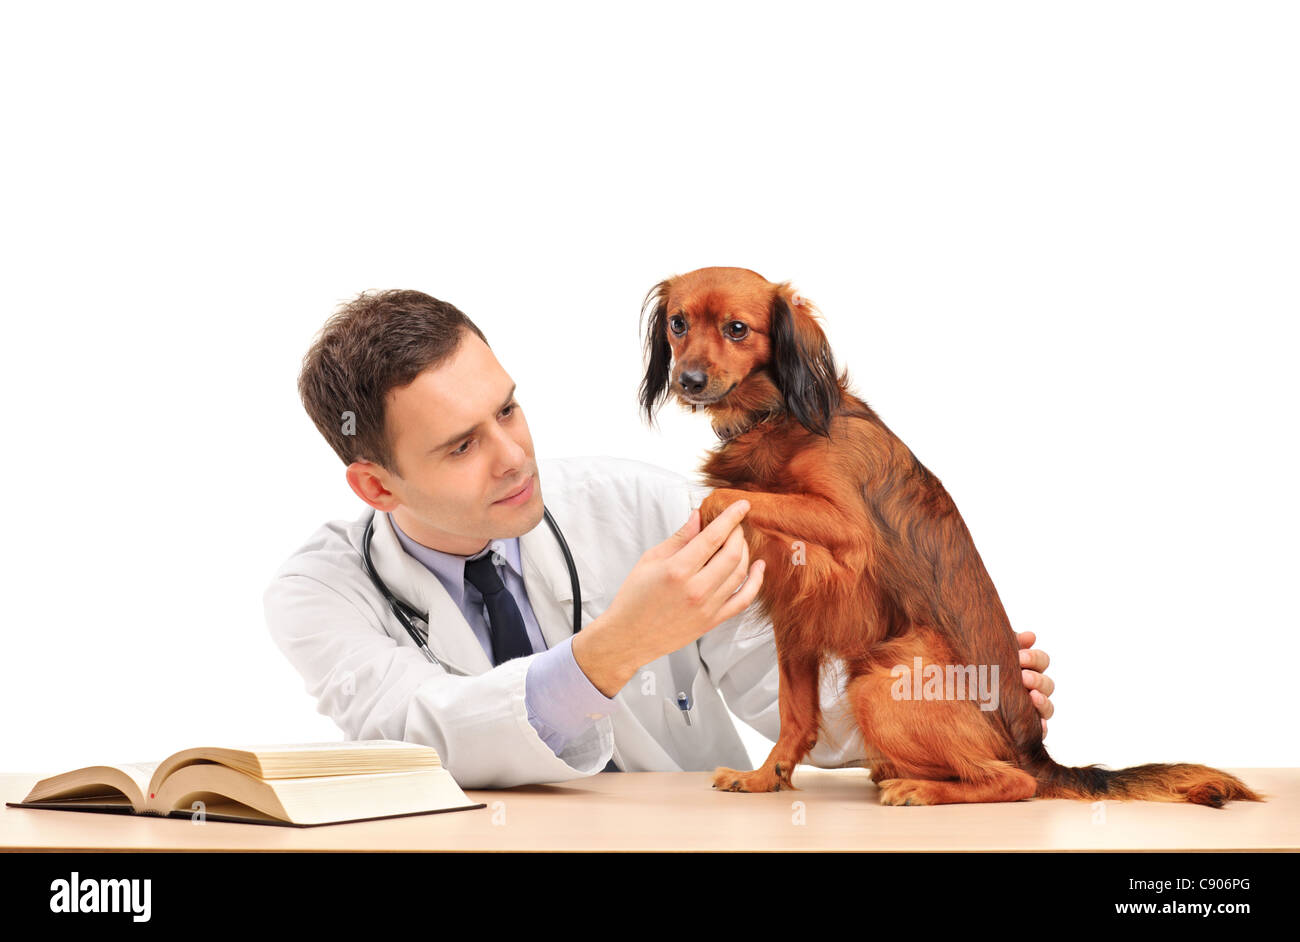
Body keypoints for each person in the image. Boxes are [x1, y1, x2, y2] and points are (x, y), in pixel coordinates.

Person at [263, 289, 1056, 789]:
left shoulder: (648, 505)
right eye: (461, 446)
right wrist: (614, 649)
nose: (514, 458)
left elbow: (788, 686)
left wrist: (952, 702)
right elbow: (412, 741)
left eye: (507, 410)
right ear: (376, 485)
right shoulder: (317, 594)